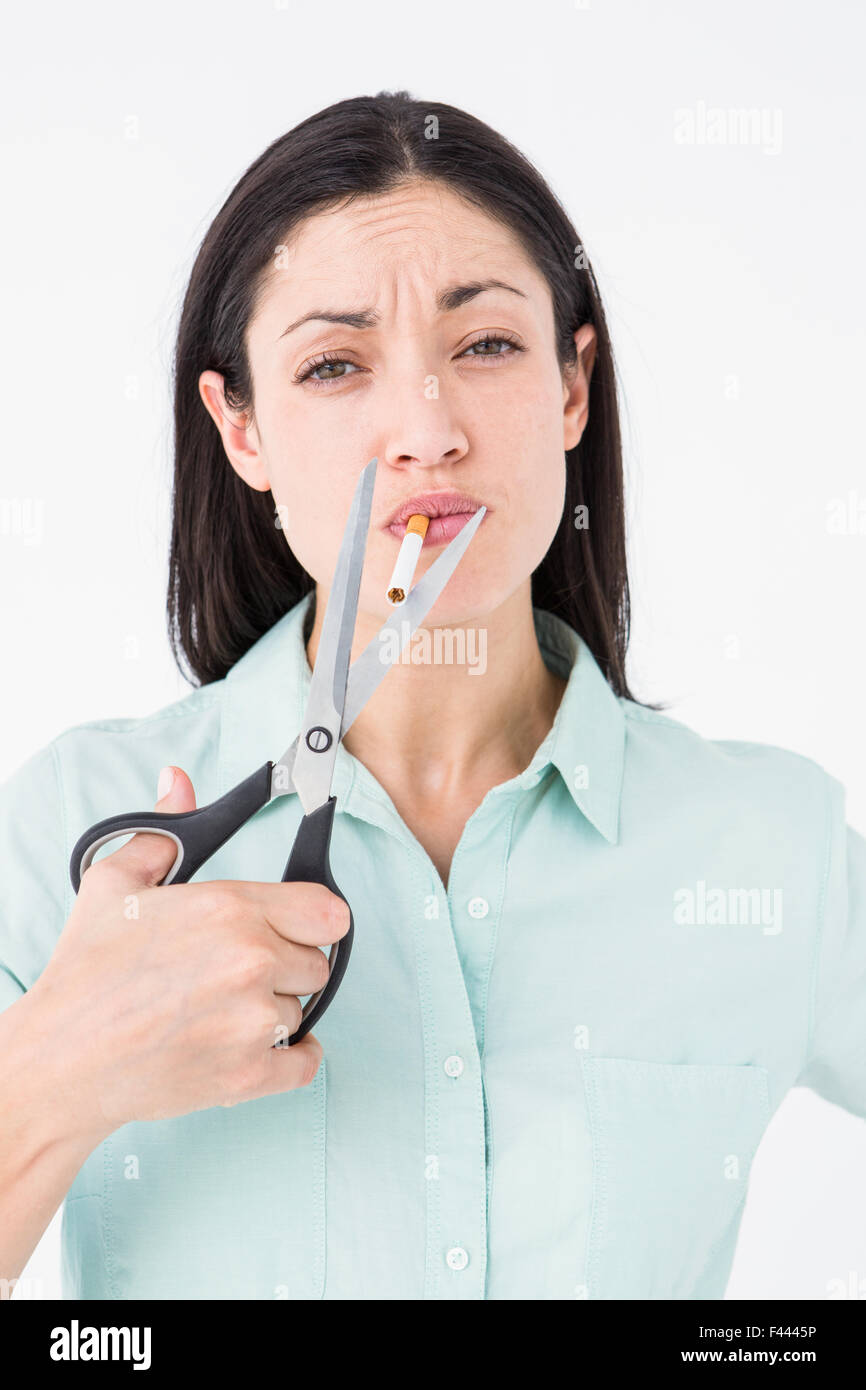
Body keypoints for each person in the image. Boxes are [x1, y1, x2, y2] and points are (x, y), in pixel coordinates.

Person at [1, 90, 864, 1301]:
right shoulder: (68, 839)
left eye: (485, 345)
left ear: (572, 389)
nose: (425, 429)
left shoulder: (772, 850)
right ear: (239, 429)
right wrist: (51, 1075)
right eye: (335, 364)